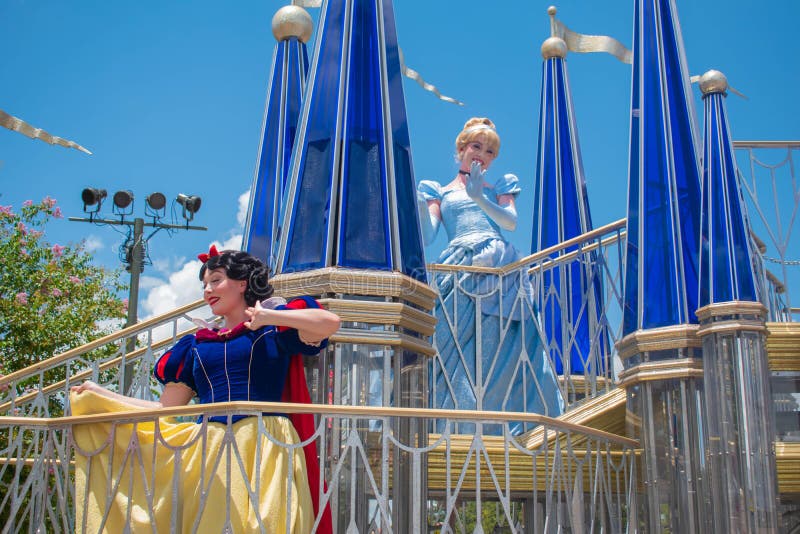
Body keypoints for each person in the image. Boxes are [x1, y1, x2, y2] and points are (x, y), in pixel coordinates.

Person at [69, 246, 339, 533]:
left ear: (242, 283)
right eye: (205, 285)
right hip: (210, 445)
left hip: (264, 441)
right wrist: (101, 395)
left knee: (264, 523)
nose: (207, 291)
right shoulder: (196, 345)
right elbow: (166, 410)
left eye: (216, 281)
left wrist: (272, 317)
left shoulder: (272, 330)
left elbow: (329, 323)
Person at [417, 117, 564, 434]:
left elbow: (510, 223)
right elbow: (428, 236)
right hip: (458, 269)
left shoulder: (499, 189)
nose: (482, 154)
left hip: (500, 269)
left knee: (498, 349)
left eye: (490, 151)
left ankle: (498, 424)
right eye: (476, 146)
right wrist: (414, 202)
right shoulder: (439, 192)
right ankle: (454, 425)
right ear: (461, 149)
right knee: (451, 346)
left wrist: (480, 196)